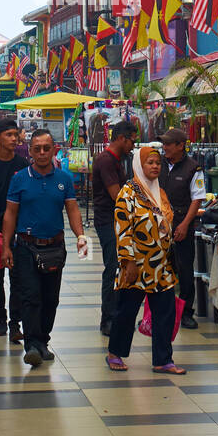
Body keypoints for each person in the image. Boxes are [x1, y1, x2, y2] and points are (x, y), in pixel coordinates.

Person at [1, 128, 88, 368]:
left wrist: (80, 236)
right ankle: (31, 345)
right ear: (30, 151)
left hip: (55, 248)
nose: (41, 152)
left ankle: (43, 341)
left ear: (54, 150)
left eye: (46, 148)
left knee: (51, 298)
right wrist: (6, 246)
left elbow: (72, 209)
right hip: (26, 247)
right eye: (36, 148)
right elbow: (10, 213)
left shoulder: (64, 179)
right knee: (30, 297)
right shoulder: (20, 178)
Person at [105, 145, 186, 375]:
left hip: (162, 266)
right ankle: (115, 353)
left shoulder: (160, 192)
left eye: (158, 163)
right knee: (126, 311)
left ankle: (163, 359)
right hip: (137, 265)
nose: (155, 167)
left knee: (164, 313)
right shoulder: (128, 193)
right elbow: (122, 229)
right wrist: (128, 261)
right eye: (149, 163)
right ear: (139, 165)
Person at [92, 121, 138, 336]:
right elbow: (116, 196)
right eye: (131, 141)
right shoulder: (107, 161)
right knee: (112, 268)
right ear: (121, 138)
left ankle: (118, 315)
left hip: (116, 221)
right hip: (108, 221)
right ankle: (107, 319)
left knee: (120, 267)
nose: (132, 145)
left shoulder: (118, 160)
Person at [0, 117, 27, 342]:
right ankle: (1, 318)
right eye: (8, 135)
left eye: (15, 134)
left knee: (18, 279)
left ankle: (15, 323)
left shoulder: (23, 166)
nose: (13, 138)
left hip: (19, 232)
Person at [159, 128, 207, 329]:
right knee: (159, 268)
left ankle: (187, 312)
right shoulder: (158, 163)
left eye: (169, 144)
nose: (165, 147)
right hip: (159, 224)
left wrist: (185, 225)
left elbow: (197, 199)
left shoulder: (193, 168)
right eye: (164, 144)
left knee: (184, 269)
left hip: (181, 223)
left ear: (180, 146)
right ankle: (159, 310)